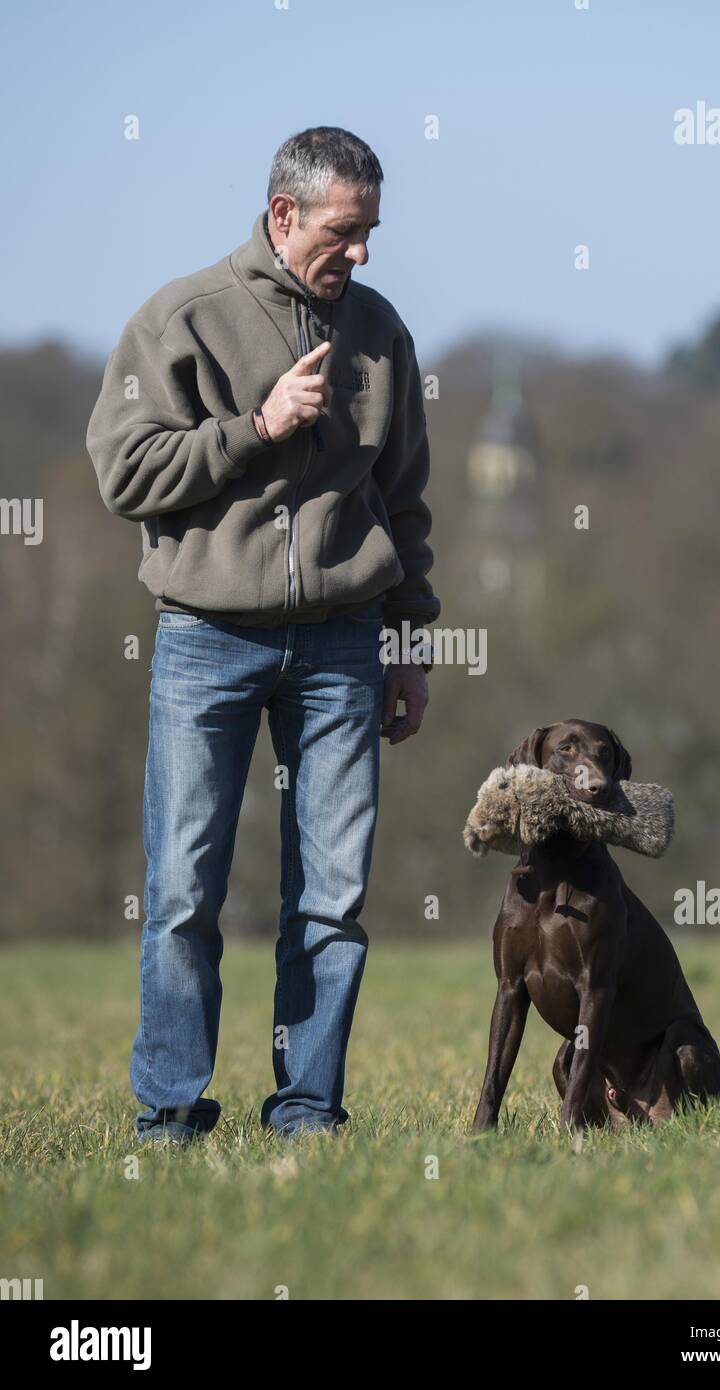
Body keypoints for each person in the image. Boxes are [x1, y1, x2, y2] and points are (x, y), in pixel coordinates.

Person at [86, 126, 439, 1143]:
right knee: (183, 892)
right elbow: (125, 475)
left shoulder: (380, 332)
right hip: (206, 640)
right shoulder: (180, 317)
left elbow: (404, 501)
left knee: (330, 902)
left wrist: (409, 644)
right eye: (345, 230)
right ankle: (167, 1115)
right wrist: (258, 426)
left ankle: (306, 1110)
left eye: (372, 230)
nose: (363, 252)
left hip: (342, 645)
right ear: (283, 217)